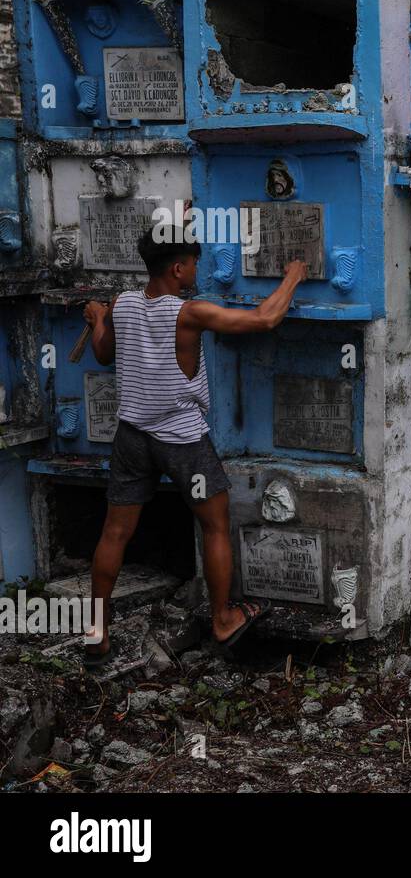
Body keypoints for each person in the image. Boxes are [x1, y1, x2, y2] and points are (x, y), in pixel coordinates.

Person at [81, 227, 308, 666]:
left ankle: (96, 633)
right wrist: (293, 277)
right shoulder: (189, 313)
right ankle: (223, 619)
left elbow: (103, 354)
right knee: (216, 524)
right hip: (183, 442)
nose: (196, 271)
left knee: (114, 533)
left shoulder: (123, 304)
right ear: (179, 268)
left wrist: (98, 320)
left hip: (131, 438)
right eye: (193, 264)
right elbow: (264, 319)